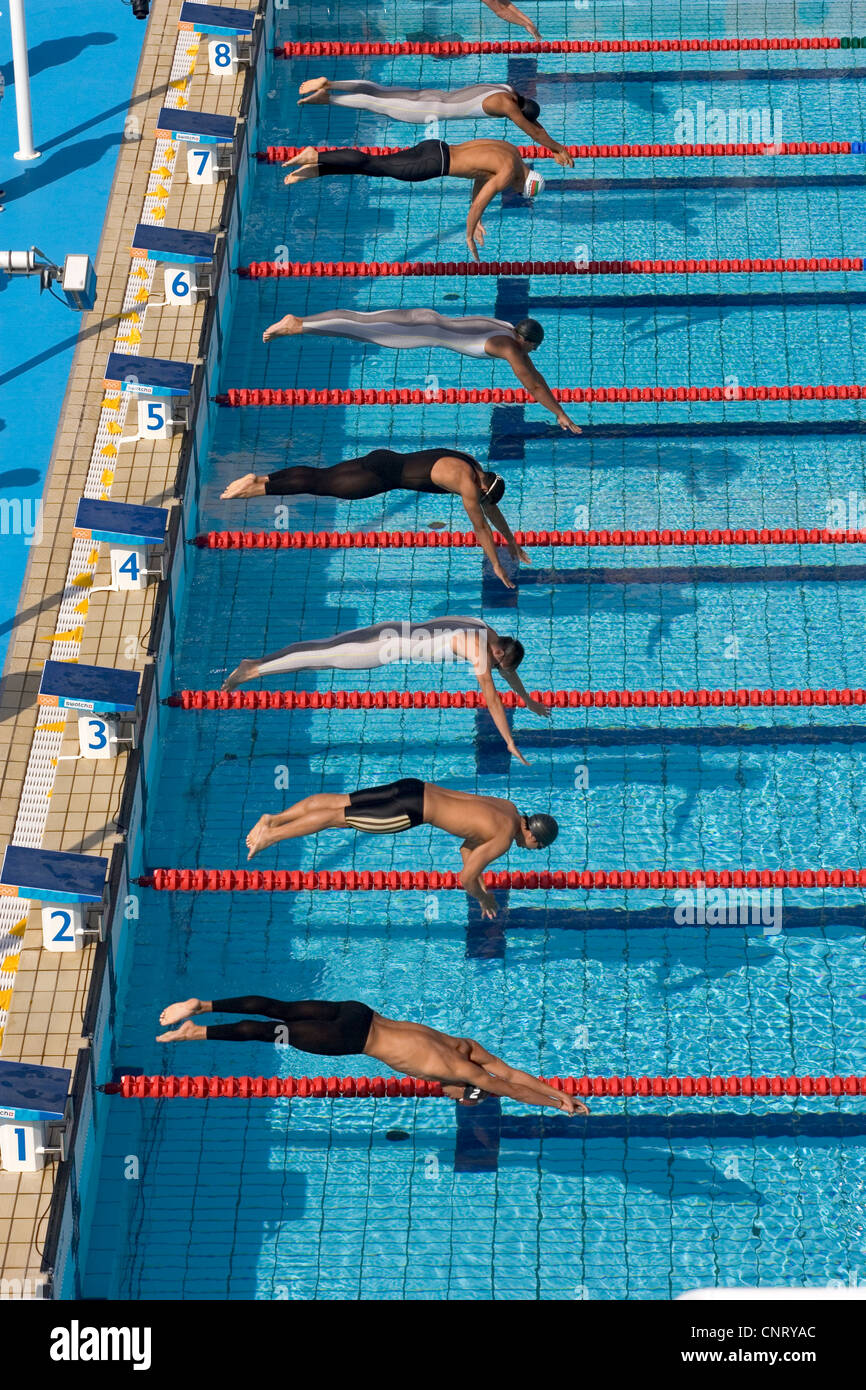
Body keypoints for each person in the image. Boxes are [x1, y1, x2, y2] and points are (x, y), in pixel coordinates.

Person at [155, 995, 589, 1114]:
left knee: (280, 1008)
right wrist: (556, 1105)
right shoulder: (462, 1072)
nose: (450, 1097)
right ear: (468, 1089)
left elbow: (511, 1071)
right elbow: (509, 1088)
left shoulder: (466, 1050)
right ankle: (197, 1032)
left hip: (358, 1012)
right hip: (347, 1040)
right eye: (459, 1097)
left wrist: (560, 1093)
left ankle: (204, 1004)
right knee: (271, 1034)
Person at [221, 615, 551, 764]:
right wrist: (508, 740)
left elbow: (506, 675)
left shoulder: (484, 628)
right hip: (378, 650)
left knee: (317, 652)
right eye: (497, 666)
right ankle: (254, 670)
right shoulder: (478, 648)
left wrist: (527, 700)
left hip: (387, 629)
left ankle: (258, 663)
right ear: (497, 654)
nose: (494, 671)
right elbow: (491, 698)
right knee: (319, 657)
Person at [221, 446, 530, 588]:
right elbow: (481, 528)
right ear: (482, 490)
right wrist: (498, 565)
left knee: (320, 475)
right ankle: (260, 489)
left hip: (383, 457)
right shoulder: (466, 485)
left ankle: (260, 478)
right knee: (321, 486)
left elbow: (491, 511)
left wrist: (512, 542)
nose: (479, 502)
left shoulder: (471, 463)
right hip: (380, 478)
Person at [244, 778, 559, 917]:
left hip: (413, 787)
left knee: (340, 803)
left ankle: (272, 820)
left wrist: (476, 877)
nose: (532, 850)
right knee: (337, 818)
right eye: (537, 847)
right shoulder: (503, 839)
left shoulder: (507, 806)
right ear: (535, 837)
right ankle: (271, 837)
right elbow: (464, 878)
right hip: (411, 813)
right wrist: (485, 897)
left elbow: (467, 851)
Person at [261, 308, 582, 433]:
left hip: (425, 317)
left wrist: (557, 408)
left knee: (360, 318)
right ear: (524, 341)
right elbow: (534, 386)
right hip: (422, 333)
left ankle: (301, 322)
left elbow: (535, 373)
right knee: (359, 331)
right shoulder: (511, 348)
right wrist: (559, 413)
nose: (532, 353)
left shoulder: (508, 328)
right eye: (533, 347)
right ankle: (298, 326)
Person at [280, 136, 548, 262]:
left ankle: (316, 169)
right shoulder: (508, 173)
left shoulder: (511, 153)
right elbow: (482, 202)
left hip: (435, 147)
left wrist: (474, 216)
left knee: (372, 164)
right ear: (521, 184)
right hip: (432, 165)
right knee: (370, 164)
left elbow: (480, 176)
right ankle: (316, 157)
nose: (510, 190)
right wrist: (469, 232)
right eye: (516, 191)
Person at [296, 77, 573, 164]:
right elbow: (533, 132)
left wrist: (553, 142)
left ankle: (331, 86)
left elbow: (535, 125)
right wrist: (557, 149)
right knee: (376, 104)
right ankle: (327, 95)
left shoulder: (507, 91)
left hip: (431, 95)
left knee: (377, 91)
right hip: (426, 110)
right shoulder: (505, 106)